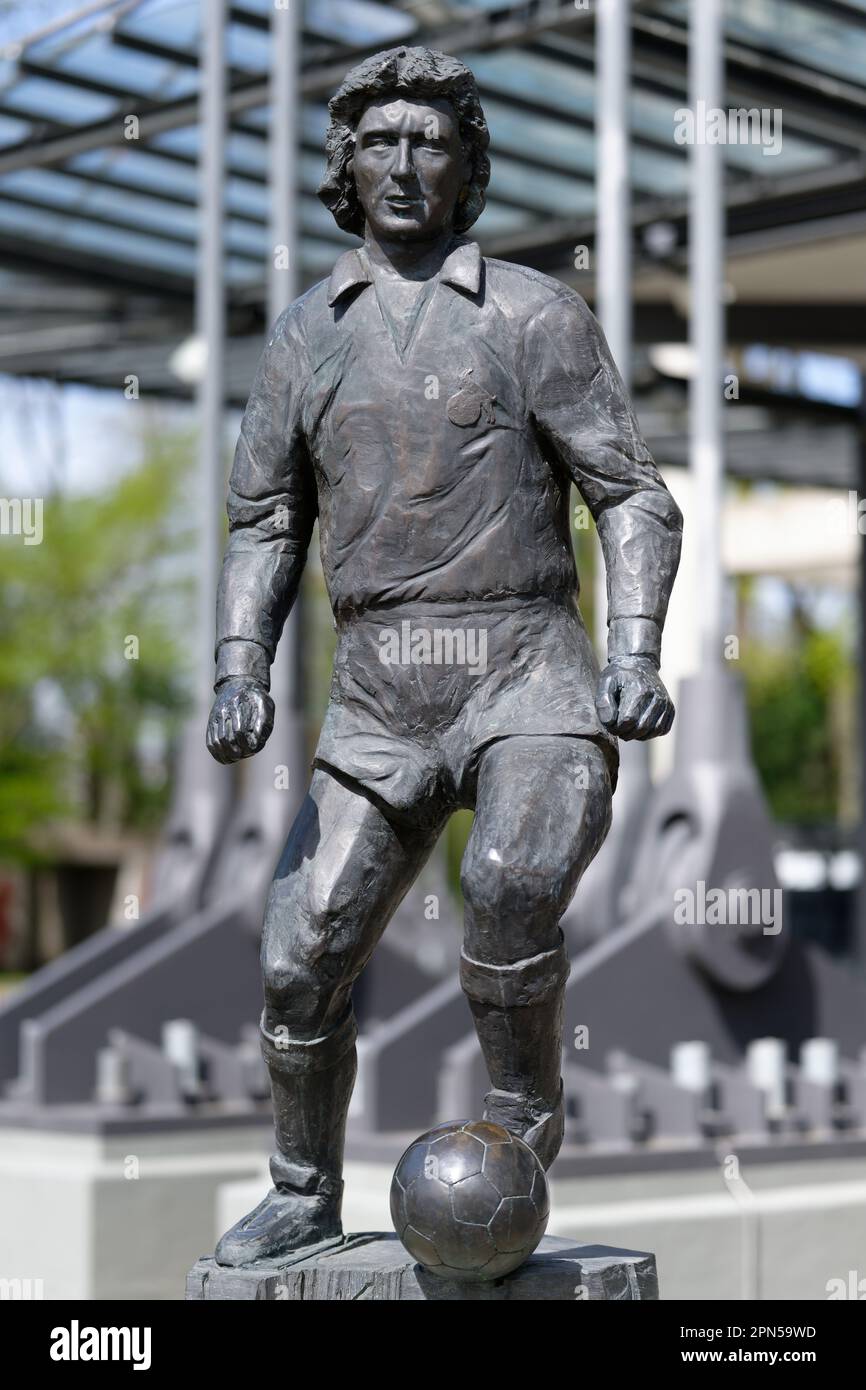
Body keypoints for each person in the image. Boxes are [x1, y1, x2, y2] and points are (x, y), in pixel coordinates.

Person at [207, 45, 682, 1265]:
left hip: (528, 669)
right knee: (296, 959)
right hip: (377, 694)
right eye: (380, 143)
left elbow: (631, 497)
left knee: (514, 884)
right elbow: (264, 520)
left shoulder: (534, 316)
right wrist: (238, 667)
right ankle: (303, 1187)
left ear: (469, 166)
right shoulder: (307, 336)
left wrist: (632, 649)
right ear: (344, 168)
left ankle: (521, 1119)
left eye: (432, 143)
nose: (405, 165)